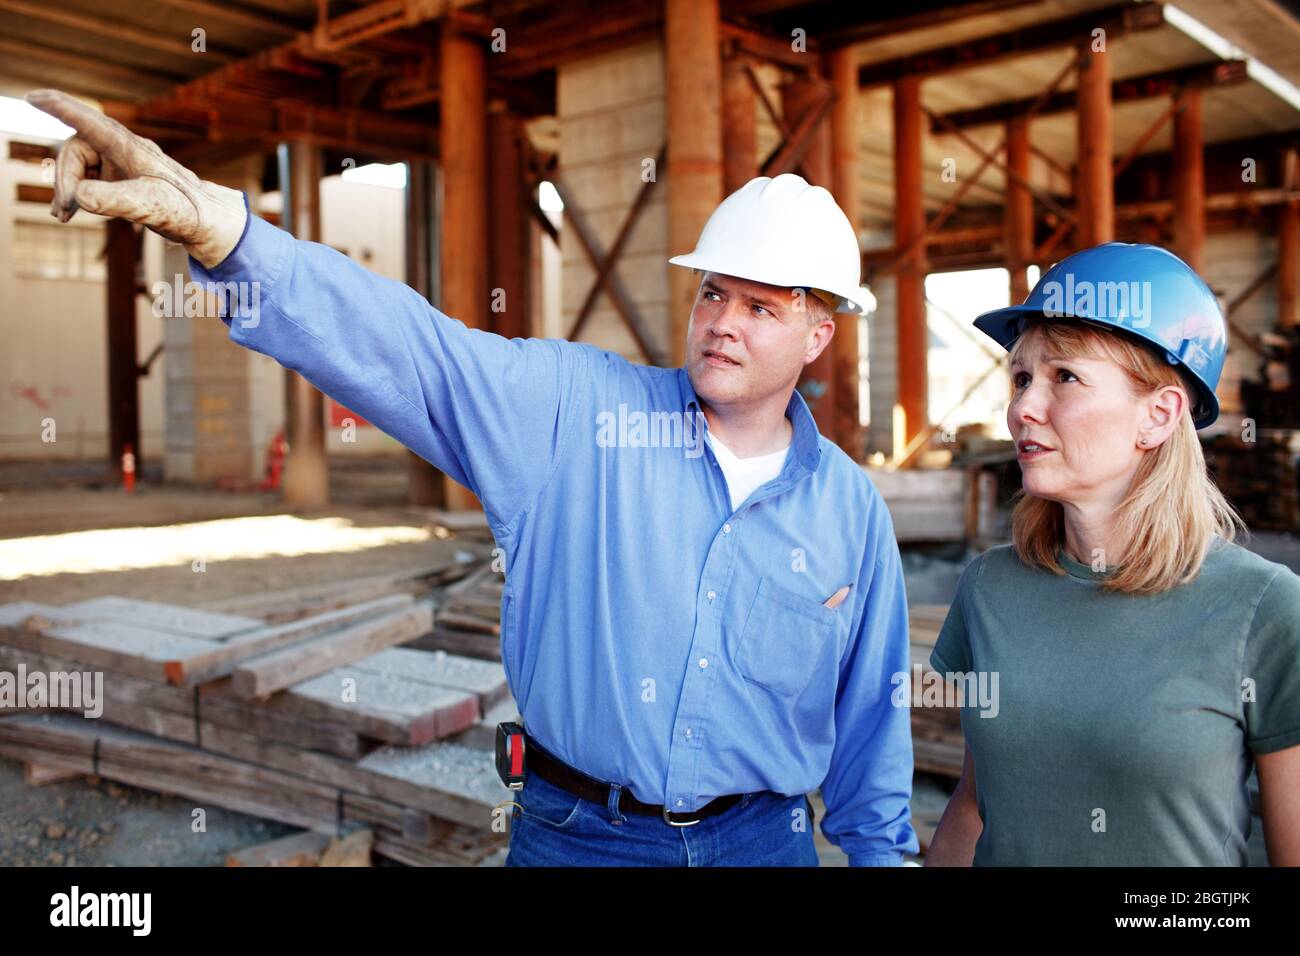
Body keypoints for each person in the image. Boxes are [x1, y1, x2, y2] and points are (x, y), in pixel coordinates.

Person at [27, 89, 919, 866]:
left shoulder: (846, 512)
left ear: (818, 336)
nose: (722, 322)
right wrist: (234, 239)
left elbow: (872, 739)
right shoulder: (575, 416)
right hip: (581, 840)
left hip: (761, 848)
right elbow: (419, 353)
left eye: (760, 306)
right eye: (712, 293)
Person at [925, 243, 1300, 866]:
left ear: (1157, 415)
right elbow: (974, 804)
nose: (1023, 408)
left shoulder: (1264, 608)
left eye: (1064, 377)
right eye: (1021, 378)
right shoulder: (990, 588)